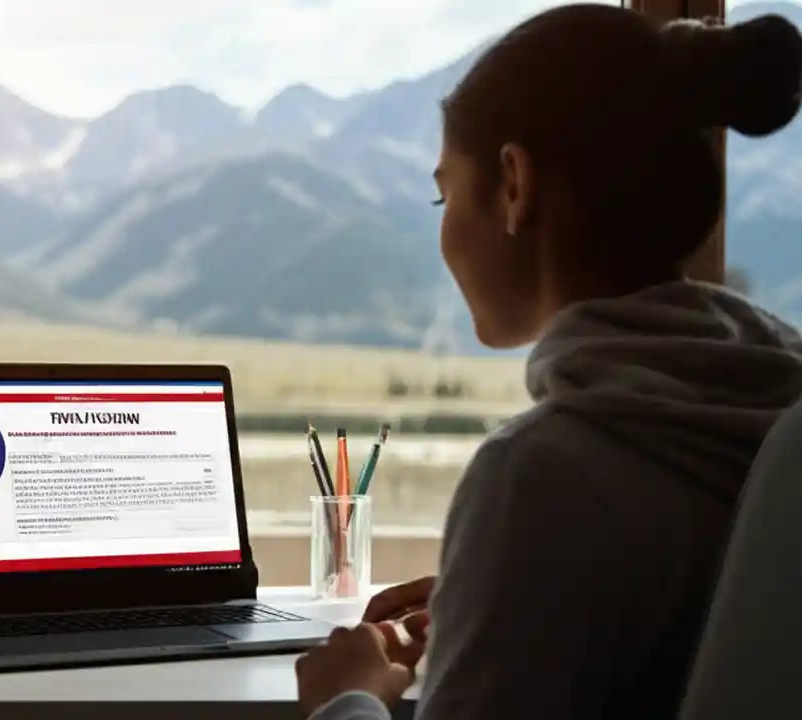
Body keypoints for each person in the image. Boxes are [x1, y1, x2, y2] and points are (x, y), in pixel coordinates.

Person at [295, 4, 802, 720]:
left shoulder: (537, 478)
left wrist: (346, 698)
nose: (443, 227)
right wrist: (501, 595)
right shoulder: (773, 418)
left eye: (444, 194)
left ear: (513, 185)